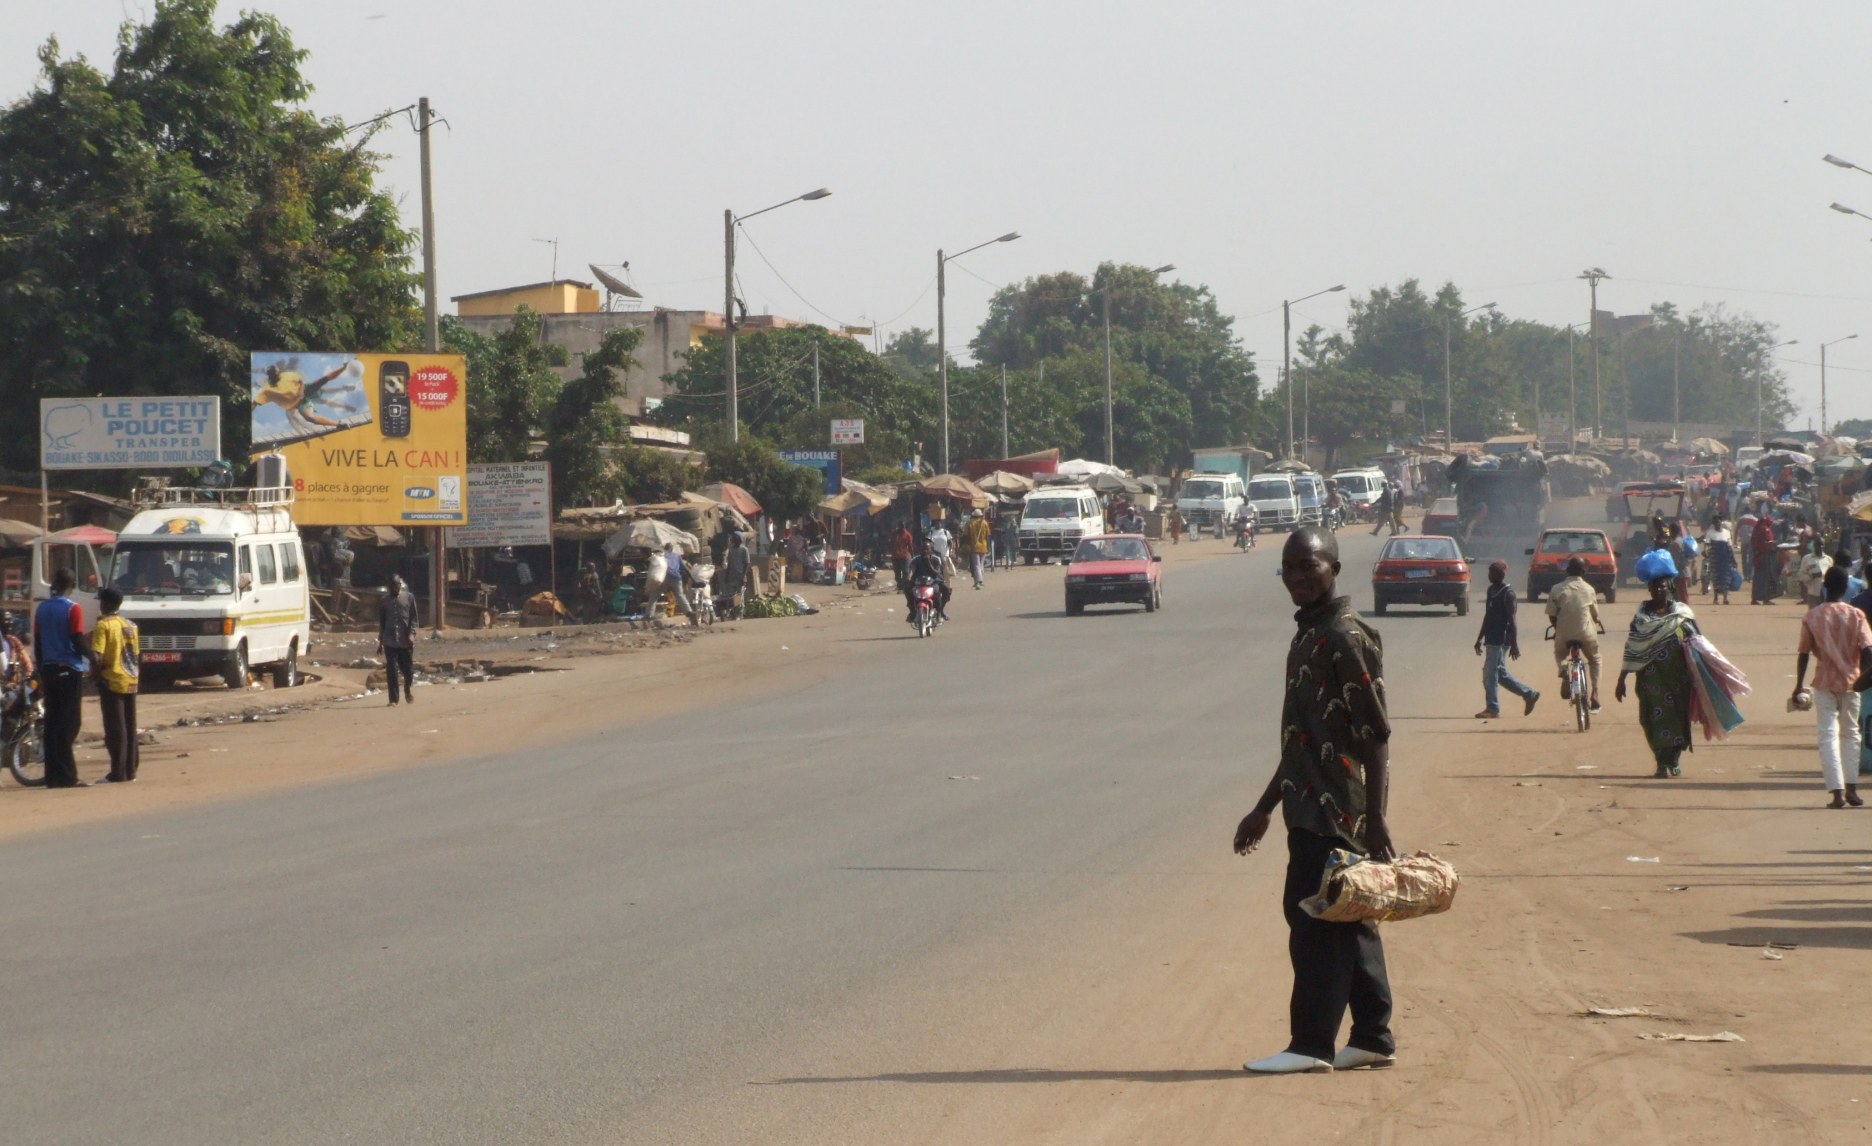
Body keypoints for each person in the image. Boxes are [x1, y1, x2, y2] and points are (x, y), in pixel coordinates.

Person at [1234, 526, 1396, 1074]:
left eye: (1310, 565)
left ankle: (1310, 1045)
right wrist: (1264, 807)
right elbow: (1303, 740)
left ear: (1335, 568)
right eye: (1291, 568)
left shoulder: (1344, 636)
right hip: (1307, 802)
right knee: (1350, 916)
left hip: (1337, 810)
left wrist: (1376, 821)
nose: (1299, 577)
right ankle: (1373, 1035)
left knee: (1313, 923)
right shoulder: (1309, 634)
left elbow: (1375, 735)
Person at [1793, 566, 1872, 808]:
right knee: (1851, 735)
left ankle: (1836, 791)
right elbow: (1867, 649)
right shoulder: (1856, 615)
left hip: (1825, 683)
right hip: (1853, 683)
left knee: (1827, 735)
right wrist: (1865, 676)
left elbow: (1804, 653)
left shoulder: (1812, 616)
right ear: (1845, 588)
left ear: (1826, 586)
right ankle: (1852, 790)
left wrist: (1798, 686)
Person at [1615, 550, 1699, 778]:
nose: (1659, 590)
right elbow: (1632, 647)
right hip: (1650, 681)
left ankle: (1673, 759)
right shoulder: (1641, 617)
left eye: (1662, 587)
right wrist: (1622, 679)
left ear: (1669, 588)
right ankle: (1661, 762)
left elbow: (1697, 645)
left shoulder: (1681, 614)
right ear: (1649, 590)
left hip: (1678, 679)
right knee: (1651, 719)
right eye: (1654, 587)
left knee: (1678, 719)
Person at [32, 568, 91, 787]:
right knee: (69, 724)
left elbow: (38, 643)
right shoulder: (72, 608)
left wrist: (41, 669)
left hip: (48, 670)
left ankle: (52, 776)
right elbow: (77, 638)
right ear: (71, 586)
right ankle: (67, 776)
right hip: (69, 669)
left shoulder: (42, 609)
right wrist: (93, 656)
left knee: (52, 723)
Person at [1473, 559, 1539, 719]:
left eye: (1493, 572)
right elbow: (1487, 616)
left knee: (1490, 674)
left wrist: (1514, 643)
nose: (1490, 575)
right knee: (1500, 674)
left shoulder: (1508, 594)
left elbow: (1512, 620)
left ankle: (1492, 708)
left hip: (1500, 639)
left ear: (1501, 574)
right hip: (1490, 638)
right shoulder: (1491, 591)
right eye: (1489, 572)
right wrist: (1479, 638)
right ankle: (1529, 694)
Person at [90, 588, 140, 783]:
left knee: (115, 728)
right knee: (130, 725)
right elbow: (135, 655)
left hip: (111, 680)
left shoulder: (103, 626)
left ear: (107, 604)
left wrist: (95, 676)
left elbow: (97, 656)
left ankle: (118, 772)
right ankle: (131, 770)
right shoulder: (131, 625)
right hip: (131, 678)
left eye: (101, 601)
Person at [1545, 557, 1603, 712]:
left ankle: (1564, 670)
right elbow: (1595, 615)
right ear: (1584, 571)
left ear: (1566, 570)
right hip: (1586, 634)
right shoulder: (1589, 589)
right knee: (1595, 659)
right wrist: (1596, 621)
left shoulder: (1557, 588)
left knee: (1560, 654)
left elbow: (1551, 614)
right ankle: (1595, 693)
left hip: (1563, 633)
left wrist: (1558, 628)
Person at [377, 573, 419, 706]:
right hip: (389, 640)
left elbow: (414, 619)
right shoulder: (384, 601)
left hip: (405, 640)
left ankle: (407, 689)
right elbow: (382, 623)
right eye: (390, 587)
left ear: (400, 585)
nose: (393, 589)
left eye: (395, 586)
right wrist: (380, 643)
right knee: (392, 669)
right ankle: (393, 699)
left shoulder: (409, 598)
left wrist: (412, 635)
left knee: (407, 669)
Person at [903, 538, 950, 623]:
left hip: (933, 582)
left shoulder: (936, 559)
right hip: (919, 582)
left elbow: (936, 573)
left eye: (927, 549)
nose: (925, 551)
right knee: (907, 589)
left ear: (931, 550)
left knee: (942, 591)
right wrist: (909, 578)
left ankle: (940, 612)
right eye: (923, 549)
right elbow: (912, 570)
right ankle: (912, 611)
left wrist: (928, 563)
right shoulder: (916, 559)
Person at [661, 543, 699, 625]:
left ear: (665, 548)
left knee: (655, 594)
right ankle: (689, 612)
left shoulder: (662, 555)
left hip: (665, 577)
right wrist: (694, 580)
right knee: (680, 595)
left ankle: (649, 614)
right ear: (672, 549)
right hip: (677, 578)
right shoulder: (677, 556)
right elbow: (686, 569)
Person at [1704, 516, 1737, 605]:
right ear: (1713, 524)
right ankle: (1716, 598)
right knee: (1715, 578)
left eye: (1718, 522)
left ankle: (1725, 598)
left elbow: (1730, 547)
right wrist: (1705, 552)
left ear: (1721, 522)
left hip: (1726, 558)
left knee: (1726, 578)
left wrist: (1733, 559)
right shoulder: (1710, 533)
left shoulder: (1727, 532)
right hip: (1715, 558)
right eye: (1715, 523)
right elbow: (1707, 545)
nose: (1717, 524)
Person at [1749, 512, 1779, 604]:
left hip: (1757, 555)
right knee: (1766, 578)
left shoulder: (1757, 529)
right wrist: (1773, 544)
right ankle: (1766, 598)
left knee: (1757, 578)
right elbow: (1766, 543)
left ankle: (1754, 598)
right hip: (1765, 555)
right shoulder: (1765, 529)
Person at [724, 532, 752, 616]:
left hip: (740, 576)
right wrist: (727, 575)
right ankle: (734, 613)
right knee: (731, 596)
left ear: (739, 540)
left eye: (735, 538)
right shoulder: (731, 549)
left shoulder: (744, 550)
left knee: (738, 596)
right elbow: (729, 563)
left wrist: (743, 576)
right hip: (732, 576)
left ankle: (739, 614)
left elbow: (747, 563)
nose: (733, 540)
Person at [964, 509, 993, 590]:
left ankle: (978, 581)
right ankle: (980, 580)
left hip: (974, 546)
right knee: (980, 564)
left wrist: (967, 545)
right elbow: (988, 536)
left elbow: (966, 536)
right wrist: (989, 546)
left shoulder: (969, 523)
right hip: (983, 546)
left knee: (976, 565)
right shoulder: (985, 523)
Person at [889, 523, 914, 591]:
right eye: (900, 527)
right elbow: (890, 543)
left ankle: (904, 586)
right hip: (895, 556)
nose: (901, 529)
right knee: (897, 573)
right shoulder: (894, 534)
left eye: (902, 527)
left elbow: (910, 546)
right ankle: (900, 586)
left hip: (905, 556)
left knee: (906, 571)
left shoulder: (907, 534)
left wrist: (913, 556)